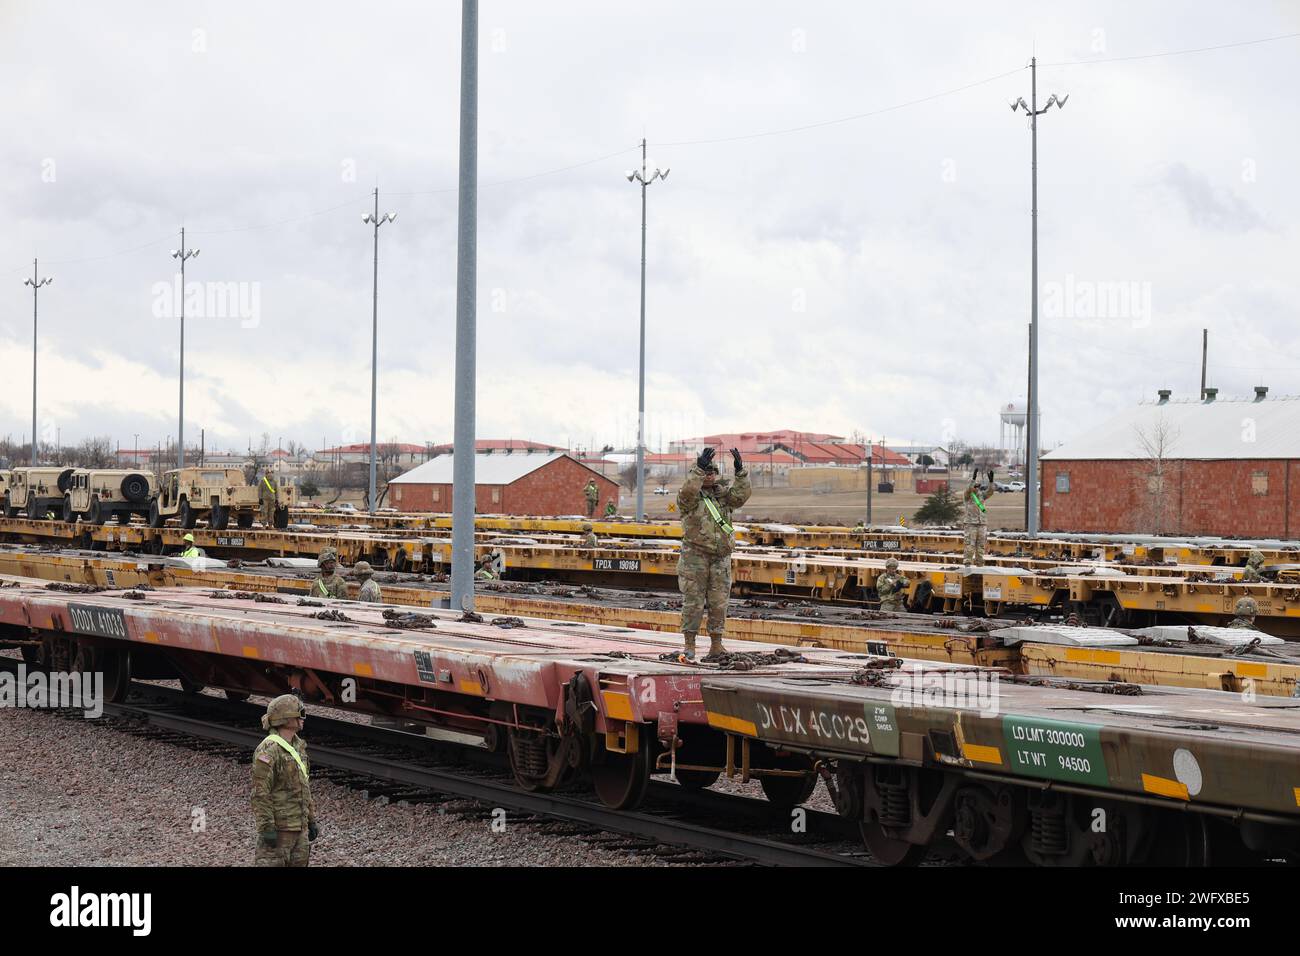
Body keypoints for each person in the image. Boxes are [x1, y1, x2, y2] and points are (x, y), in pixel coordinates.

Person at [676, 446, 751, 660]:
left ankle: (716, 645)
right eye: (705, 471)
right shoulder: (689, 498)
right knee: (694, 602)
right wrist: (698, 468)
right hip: (695, 557)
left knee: (719, 603)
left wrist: (740, 471)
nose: (709, 475)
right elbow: (688, 490)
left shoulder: (723, 496)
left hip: (720, 558)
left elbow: (741, 495)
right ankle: (689, 644)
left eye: (712, 472)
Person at [251, 694, 319, 867]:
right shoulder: (269, 750)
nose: (303, 719)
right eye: (300, 714)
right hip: (280, 830)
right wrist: (267, 828)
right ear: (286, 718)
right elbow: (260, 793)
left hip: (299, 829)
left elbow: (304, 788)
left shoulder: (299, 748)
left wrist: (310, 820)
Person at [962, 469, 996, 566]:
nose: (977, 487)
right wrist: (973, 479)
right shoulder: (968, 496)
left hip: (981, 523)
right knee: (970, 545)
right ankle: (967, 562)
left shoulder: (981, 495)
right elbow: (969, 489)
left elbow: (990, 492)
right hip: (971, 524)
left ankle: (979, 562)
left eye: (978, 486)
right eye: (976, 486)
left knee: (981, 545)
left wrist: (991, 482)